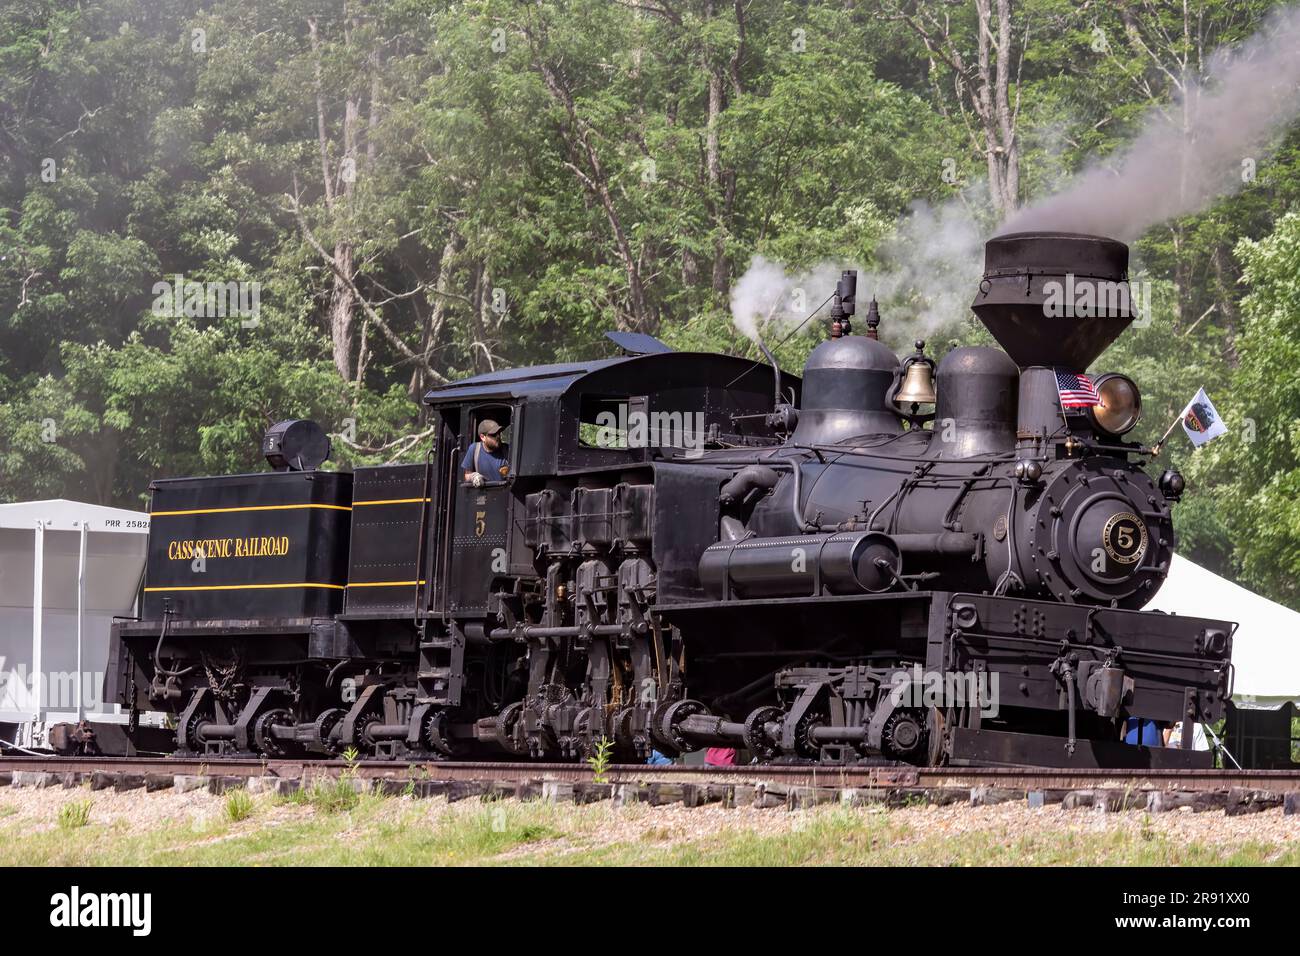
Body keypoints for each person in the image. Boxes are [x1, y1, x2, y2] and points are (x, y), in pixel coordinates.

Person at [462, 419, 509, 486]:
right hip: (483, 494)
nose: (498, 437)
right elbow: (467, 475)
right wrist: (474, 476)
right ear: (482, 437)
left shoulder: (506, 450)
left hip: (503, 493)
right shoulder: (474, 449)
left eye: (498, 433)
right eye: (493, 435)